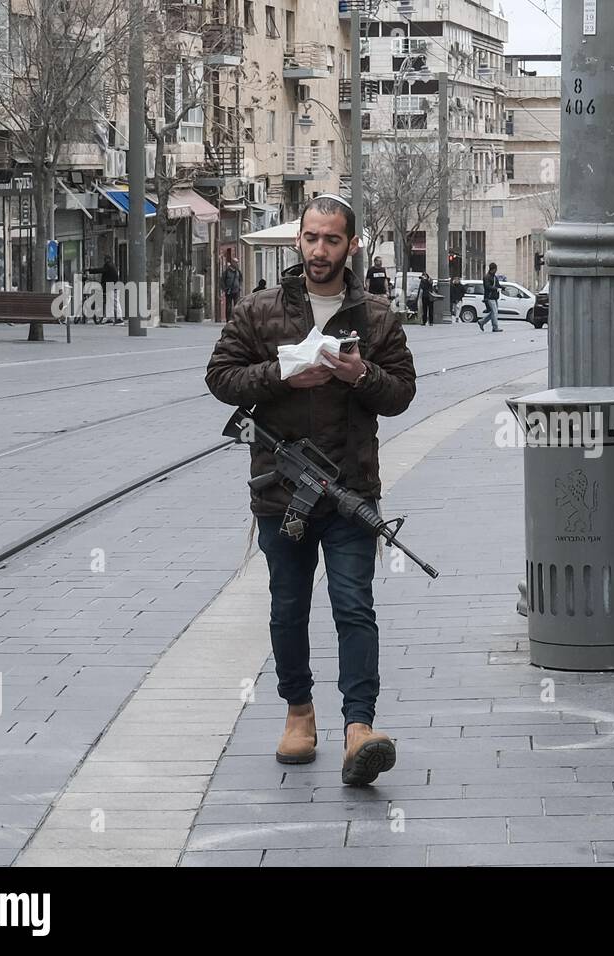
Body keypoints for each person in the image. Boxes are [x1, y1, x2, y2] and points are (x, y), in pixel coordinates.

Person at [205, 194, 417, 786]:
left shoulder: (377, 317)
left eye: (332, 239)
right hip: (282, 490)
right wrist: (283, 374)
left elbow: (402, 393)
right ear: (299, 240)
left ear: (352, 245)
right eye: (311, 238)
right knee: (288, 606)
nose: (320, 250)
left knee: (354, 606)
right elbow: (220, 377)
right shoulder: (259, 310)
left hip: (351, 489)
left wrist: (362, 374)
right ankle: (298, 713)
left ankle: (359, 728)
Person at [479, 261, 502, 332]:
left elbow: (497, 285)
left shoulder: (494, 277)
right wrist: (496, 288)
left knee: (494, 312)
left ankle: (482, 321)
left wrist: (502, 288)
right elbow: (487, 286)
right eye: (496, 269)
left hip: (494, 297)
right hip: (489, 297)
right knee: (494, 312)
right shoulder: (486, 277)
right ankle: (495, 327)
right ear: (493, 269)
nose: (496, 270)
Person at [221, 254, 243, 321]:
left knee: (236, 306)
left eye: (237, 262)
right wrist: (224, 289)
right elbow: (222, 281)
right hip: (229, 291)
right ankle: (228, 319)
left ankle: (236, 319)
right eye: (236, 262)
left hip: (236, 291)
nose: (237, 264)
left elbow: (241, 279)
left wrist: (240, 286)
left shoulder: (238, 271)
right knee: (228, 306)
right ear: (232, 263)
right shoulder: (226, 271)